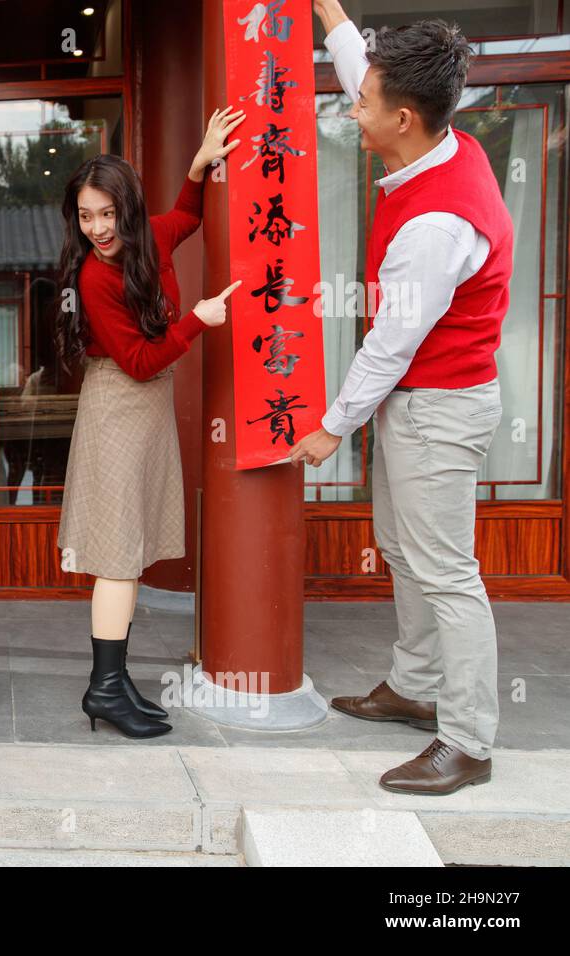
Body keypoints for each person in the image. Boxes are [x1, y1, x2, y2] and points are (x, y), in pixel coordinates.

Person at [292, 2, 513, 794]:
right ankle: (416, 687)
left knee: (447, 572)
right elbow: (366, 77)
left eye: (365, 102)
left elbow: (391, 343)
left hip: (438, 406)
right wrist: (331, 15)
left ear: (405, 118)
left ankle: (468, 739)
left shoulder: (436, 226)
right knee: (406, 550)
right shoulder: (437, 143)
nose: (352, 106)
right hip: (419, 401)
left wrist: (328, 427)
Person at [55, 110, 244, 738]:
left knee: (128, 555)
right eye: (86, 216)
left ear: (126, 210)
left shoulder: (148, 241)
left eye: (107, 213)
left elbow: (186, 217)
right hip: (117, 405)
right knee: (116, 555)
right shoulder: (94, 275)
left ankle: (114, 682)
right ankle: (104, 688)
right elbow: (136, 361)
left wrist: (199, 163)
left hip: (146, 409)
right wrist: (199, 320)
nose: (98, 228)